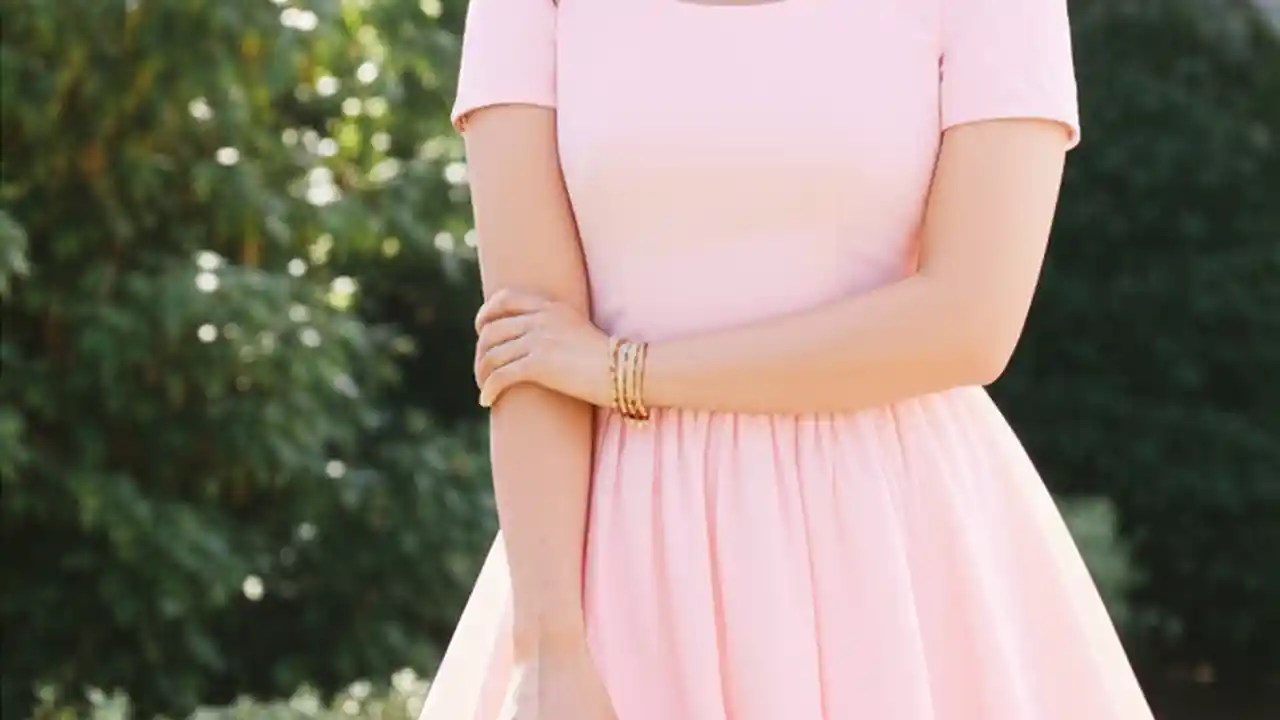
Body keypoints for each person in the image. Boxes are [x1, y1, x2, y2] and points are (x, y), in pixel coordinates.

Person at [419, 1, 1156, 718]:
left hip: (893, 551)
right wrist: (548, 650)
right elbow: (529, 344)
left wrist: (625, 370)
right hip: (619, 564)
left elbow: (970, 323)